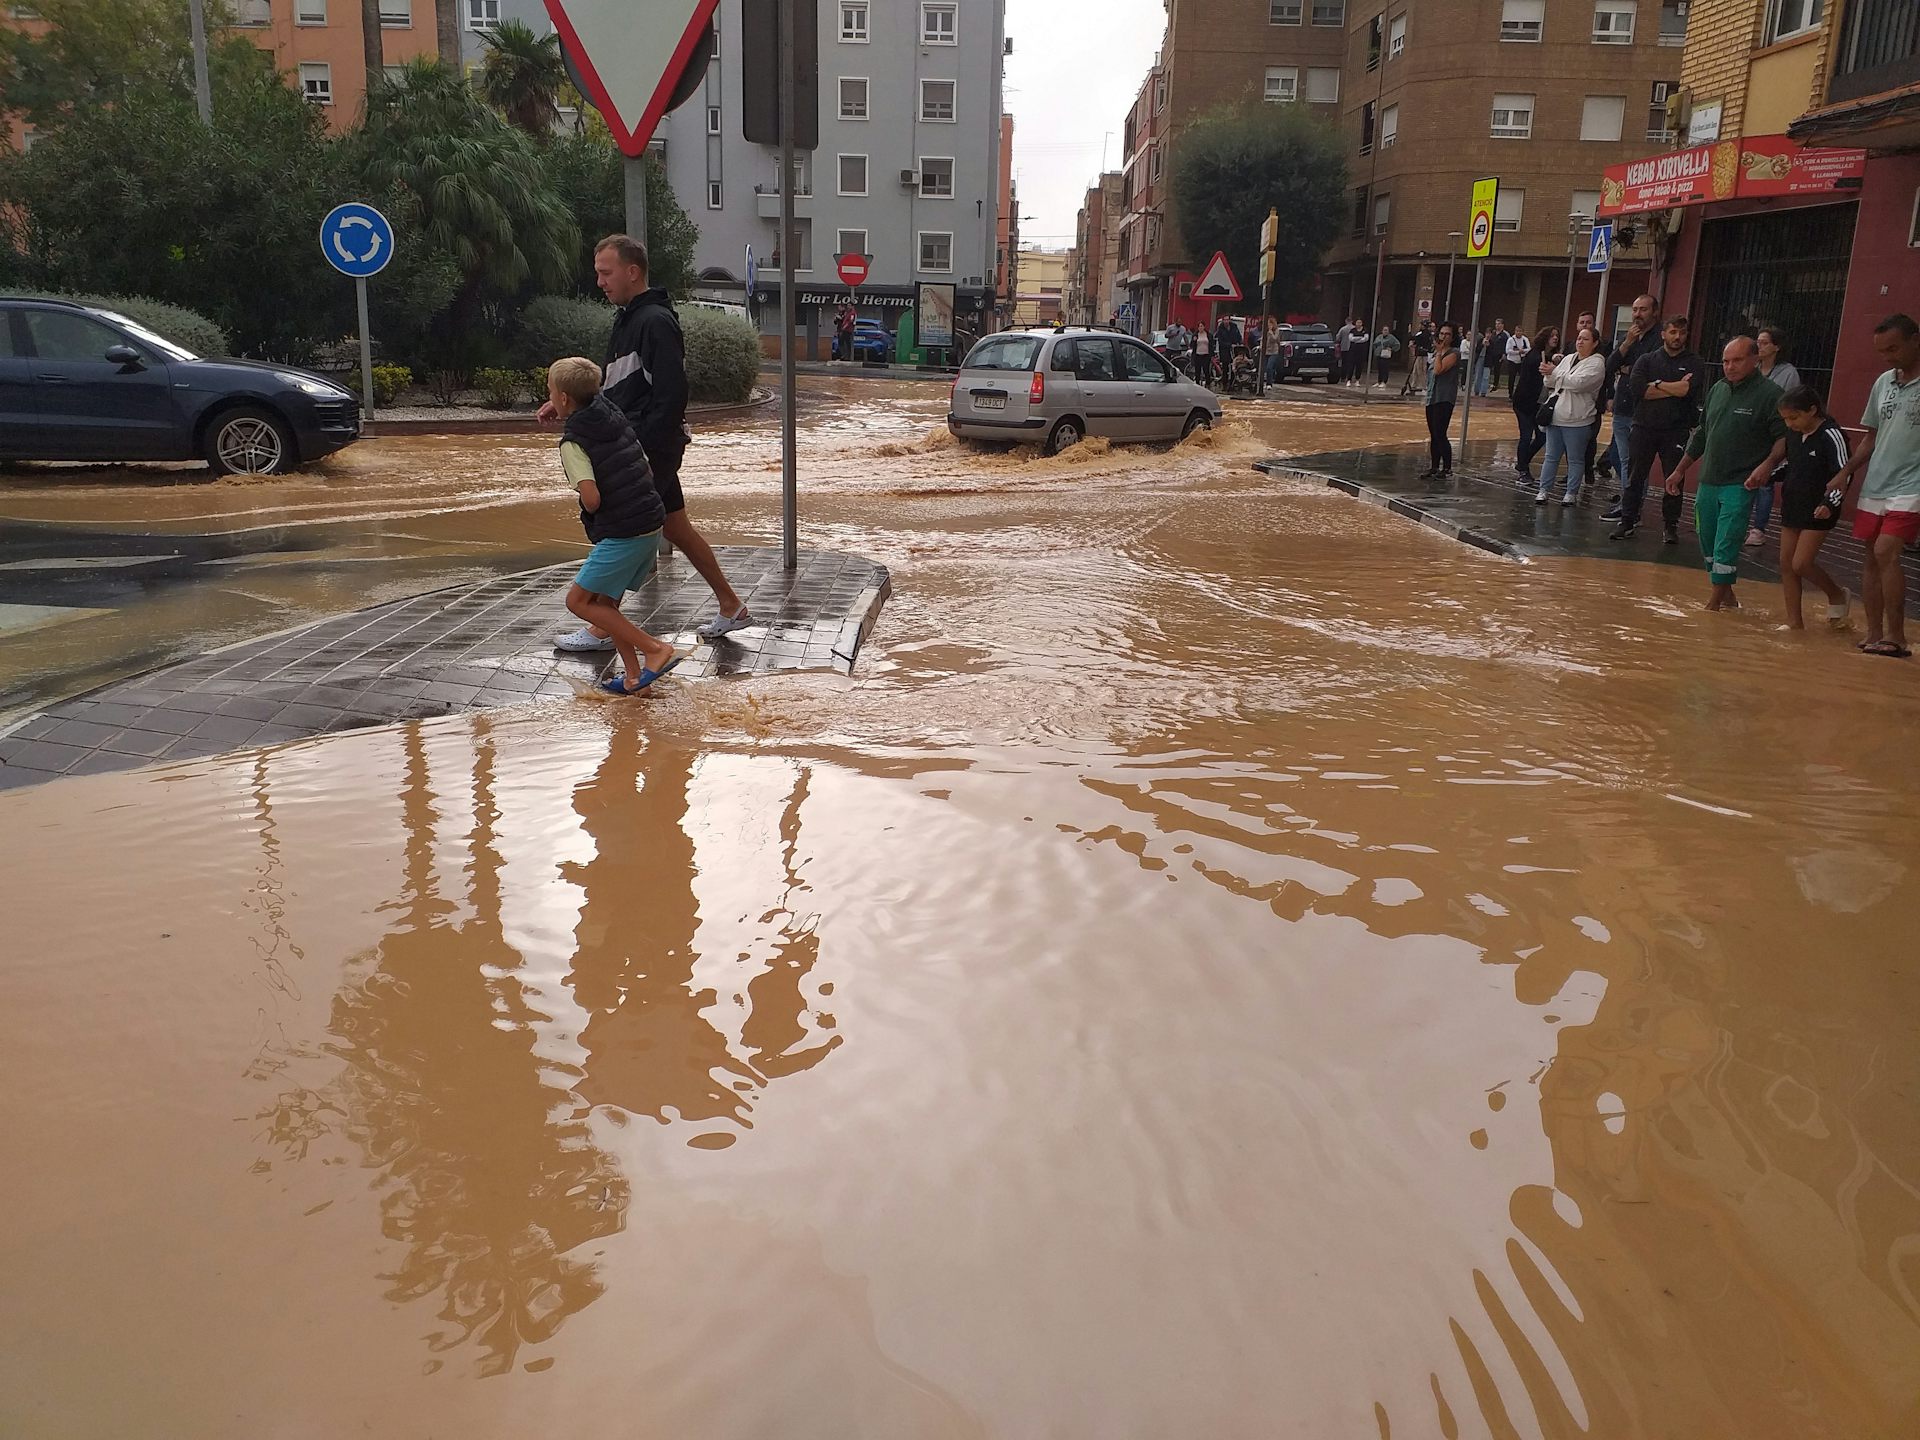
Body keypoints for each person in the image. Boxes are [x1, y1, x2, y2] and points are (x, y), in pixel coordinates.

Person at [543, 234, 754, 650]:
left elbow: (671, 394)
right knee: (676, 527)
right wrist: (566, 405)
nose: (600, 282)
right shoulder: (630, 318)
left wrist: (643, 450)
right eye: (598, 274)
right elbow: (620, 386)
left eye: (606, 273)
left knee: (621, 526)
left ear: (631, 272)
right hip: (638, 444)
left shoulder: (654, 321)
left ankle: (603, 626)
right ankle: (732, 606)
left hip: (645, 448)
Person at [545, 357, 682, 694]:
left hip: (622, 532)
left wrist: (579, 490)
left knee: (578, 603)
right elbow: (647, 471)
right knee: (606, 606)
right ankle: (636, 679)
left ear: (563, 397)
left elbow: (591, 499)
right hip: (650, 521)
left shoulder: (573, 444)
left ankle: (655, 649)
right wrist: (558, 403)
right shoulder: (611, 413)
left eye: (550, 392)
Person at [1667, 337, 1788, 611]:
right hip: (1709, 479)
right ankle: (1727, 595)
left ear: (1755, 359)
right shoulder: (1718, 390)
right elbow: (1701, 434)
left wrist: (1767, 465)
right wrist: (1679, 470)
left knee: (1726, 541)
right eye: (1725, 361)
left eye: (1737, 360)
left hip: (1740, 482)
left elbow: (1783, 438)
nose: (1730, 367)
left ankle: (1713, 605)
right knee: (1706, 539)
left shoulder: (1771, 395)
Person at [1830, 314, 1920, 659]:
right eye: (1883, 351)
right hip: (1876, 482)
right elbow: (1871, 435)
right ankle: (1875, 634)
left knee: (1886, 551)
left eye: (1894, 348)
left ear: (1915, 340)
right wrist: (1847, 471)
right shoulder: (1883, 382)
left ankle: (1897, 638)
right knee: (1870, 557)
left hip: (1911, 485)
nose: (1888, 357)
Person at [1611, 315, 1707, 542]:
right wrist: (1672, 388)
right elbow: (1639, 390)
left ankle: (1670, 527)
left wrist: (1656, 385)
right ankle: (1627, 521)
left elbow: (1687, 390)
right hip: (1644, 426)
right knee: (1635, 477)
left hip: (1676, 429)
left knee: (1673, 479)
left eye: (1682, 333)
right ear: (1663, 334)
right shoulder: (1647, 360)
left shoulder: (1695, 362)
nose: (1677, 337)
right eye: (1673, 332)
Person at [1772, 384, 1852, 630]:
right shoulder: (1794, 435)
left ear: (1812, 410)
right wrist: (1767, 475)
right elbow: (1793, 466)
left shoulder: (1831, 434)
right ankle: (1794, 622)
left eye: (1794, 417)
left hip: (1820, 508)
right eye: (1785, 419)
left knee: (1802, 563)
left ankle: (1837, 594)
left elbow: (1844, 473)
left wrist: (1830, 502)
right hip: (1793, 505)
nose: (1790, 424)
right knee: (1787, 563)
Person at [1598, 294, 1664, 522]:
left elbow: (1651, 371)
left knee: (1635, 462)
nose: (1637, 314)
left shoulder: (1659, 338)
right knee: (1620, 459)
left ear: (1654, 312)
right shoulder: (1630, 337)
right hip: (1622, 406)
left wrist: (1630, 370)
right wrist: (1626, 344)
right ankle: (1629, 502)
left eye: (1643, 309)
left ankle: (1631, 508)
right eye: (1635, 309)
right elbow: (1610, 365)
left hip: (1643, 410)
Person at [1534, 326, 1609, 504]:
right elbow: (1550, 382)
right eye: (1578, 338)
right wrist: (1549, 373)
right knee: (1551, 457)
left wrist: (1556, 373)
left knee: (1575, 459)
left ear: (1595, 343)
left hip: (1578, 419)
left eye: (1585, 339)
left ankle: (1571, 493)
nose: (1580, 342)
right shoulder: (1568, 358)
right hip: (1556, 415)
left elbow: (1579, 383)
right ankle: (1544, 490)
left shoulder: (1597, 363)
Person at [1746, 325, 1804, 547]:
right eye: (1758, 342)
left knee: (1765, 482)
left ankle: (1759, 528)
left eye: (1764, 343)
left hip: (1775, 431)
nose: (1759, 346)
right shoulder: (1753, 367)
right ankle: (1742, 523)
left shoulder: (1788, 372)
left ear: (1776, 347)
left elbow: (1791, 402)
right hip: (1753, 431)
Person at [1510, 325, 1556, 484]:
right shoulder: (1536, 356)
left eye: (1556, 335)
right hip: (1524, 403)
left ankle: (1523, 461)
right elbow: (1539, 380)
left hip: (1537, 404)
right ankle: (1523, 469)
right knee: (1526, 435)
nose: (1555, 338)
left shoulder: (1547, 356)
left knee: (1542, 436)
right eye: (1552, 335)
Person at [1422, 322, 1462, 477]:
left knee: (1440, 432)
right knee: (1433, 433)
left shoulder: (1454, 353)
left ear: (1452, 337)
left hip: (1444, 398)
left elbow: (1438, 370)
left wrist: (1439, 353)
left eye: (1448, 334)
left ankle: (1446, 467)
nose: (1444, 337)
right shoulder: (1436, 352)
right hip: (1432, 397)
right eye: (1442, 334)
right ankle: (1434, 467)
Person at [1404, 319, 1434, 396]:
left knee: (1421, 370)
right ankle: (1414, 385)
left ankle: (1423, 387)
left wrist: (1409, 332)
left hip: (1422, 355)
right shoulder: (1425, 334)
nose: (1420, 326)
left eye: (1421, 325)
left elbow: (1414, 338)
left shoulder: (1425, 334)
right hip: (1419, 354)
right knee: (1415, 370)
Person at [1504, 325, 1532, 395]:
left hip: (1521, 361)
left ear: (1522, 332)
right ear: (1515, 331)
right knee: (1511, 378)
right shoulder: (1511, 340)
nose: (1518, 333)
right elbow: (1507, 351)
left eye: (1520, 331)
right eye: (1517, 331)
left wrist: (1523, 351)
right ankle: (1510, 394)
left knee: (1522, 378)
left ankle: (1521, 392)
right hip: (1512, 361)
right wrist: (1517, 352)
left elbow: (1529, 349)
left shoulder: (1525, 339)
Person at [1372, 321, 1400, 388]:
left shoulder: (1391, 338)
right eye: (1384, 330)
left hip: (1386, 355)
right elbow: (1374, 344)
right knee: (1380, 368)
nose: (1385, 331)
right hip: (1379, 355)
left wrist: (1391, 349)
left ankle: (1384, 381)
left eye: (1386, 330)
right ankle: (1379, 381)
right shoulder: (1379, 337)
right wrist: (1376, 350)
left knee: (1385, 368)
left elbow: (1397, 344)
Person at [1346, 318, 1371, 385]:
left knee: (1359, 366)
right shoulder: (1352, 330)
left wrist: (1356, 339)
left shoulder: (1365, 330)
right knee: (1351, 365)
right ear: (1355, 323)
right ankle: (1349, 380)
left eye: (1360, 322)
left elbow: (1366, 339)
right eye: (1357, 322)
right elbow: (1351, 338)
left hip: (1361, 351)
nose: (1359, 324)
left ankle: (1357, 380)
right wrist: (1359, 338)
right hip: (1353, 351)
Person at [1193, 321, 1212, 385]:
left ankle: (1208, 383)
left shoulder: (1208, 334)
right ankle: (1197, 382)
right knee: (1197, 370)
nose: (1200, 328)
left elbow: (1211, 344)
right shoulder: (1195, 335)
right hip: (1198, 354)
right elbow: (1192, 345)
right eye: (1199, 326)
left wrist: (1211, 354)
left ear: (1204, 327)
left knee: (1206, 369)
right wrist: (1194, 340)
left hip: (1206, 355)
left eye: (1201, 326)